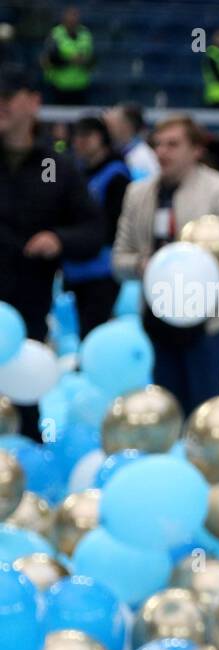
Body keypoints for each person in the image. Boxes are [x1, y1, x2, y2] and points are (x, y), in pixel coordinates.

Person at [112, 114, 219, 416]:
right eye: (158, 144)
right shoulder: (138, 194)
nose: (162, 152)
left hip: (208, 322)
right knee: (166, 411)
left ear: (196, 150)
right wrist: (142, 265)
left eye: (173, 144)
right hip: (157, 319)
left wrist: (195, 271)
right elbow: (119, 259)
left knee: (205, 410)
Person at [0, 65, 102, 441]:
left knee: (24, 407)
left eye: (7, 97)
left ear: (33, 102)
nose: (0, 105)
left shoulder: (52, 167)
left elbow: (93, 230)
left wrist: (59, 239)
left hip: (27, 312)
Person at [64, 115, 131, 343]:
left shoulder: (117, 174)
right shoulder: (76, 171)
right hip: (75, 266)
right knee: (81, 332)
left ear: (102, 138)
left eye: (86, 136)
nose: (79, 142)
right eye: (76, 137)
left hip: (102, 268)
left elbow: (116, 225)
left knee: (93, 332)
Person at [40, 6, 93, 106]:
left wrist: (84, 61)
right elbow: (50, 59)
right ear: (63, 19)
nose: (72, 20)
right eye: (70, 17)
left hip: (80, 85)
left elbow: (90, 57)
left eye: (75, 17)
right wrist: (71, 60)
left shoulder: (85, 33)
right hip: (58, 85)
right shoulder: (55, 33)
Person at [104, 102, 159, 181]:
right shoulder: (117, 153)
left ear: (127, 125)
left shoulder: (142, 157)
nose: (106, 130)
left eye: (110, 124)